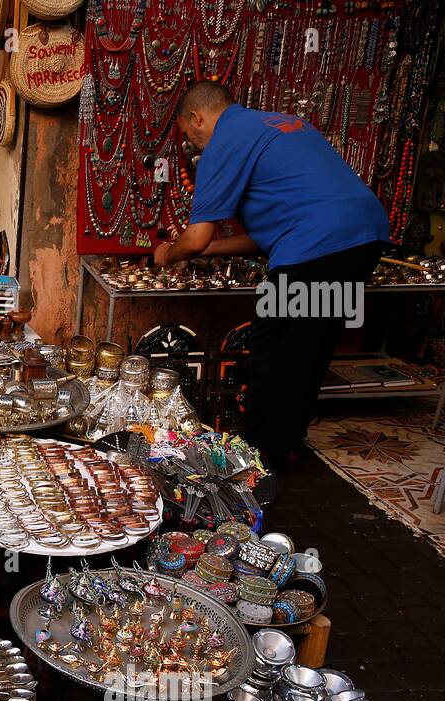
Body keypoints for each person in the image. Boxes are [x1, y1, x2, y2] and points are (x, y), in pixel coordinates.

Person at [153, 80, 390, 463]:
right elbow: (269, 234)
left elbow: (194, 238)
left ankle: (260, 459)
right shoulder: (284, 124)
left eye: (189, 137)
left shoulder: (223, 142)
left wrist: (167, 255)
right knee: (310, 344)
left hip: (319, 246)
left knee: (270, 345)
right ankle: (286, 445)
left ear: (197, 118)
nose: (194, 146)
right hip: (366, 238)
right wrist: (214, 248)